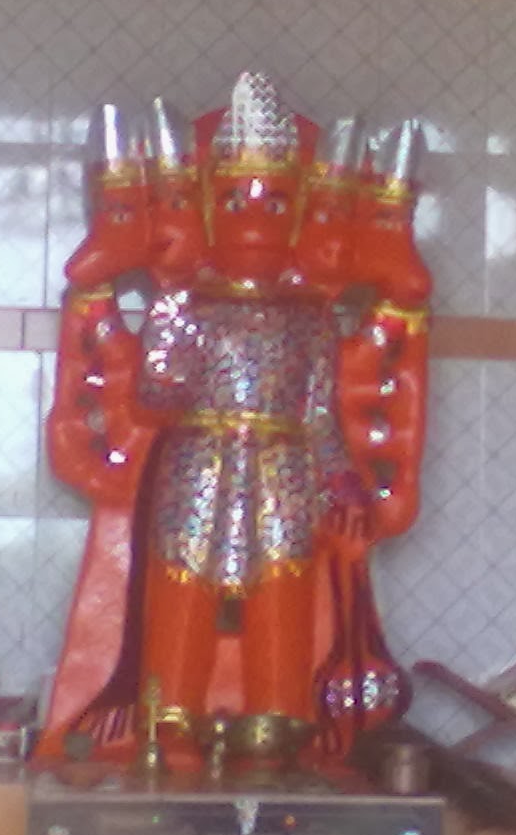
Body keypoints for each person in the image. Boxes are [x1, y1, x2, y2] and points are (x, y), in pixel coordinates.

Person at [36, 74, 430, 769]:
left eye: (276, 200)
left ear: (301, 210)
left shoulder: (309, 314)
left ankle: (276, 719)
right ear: (210, 211)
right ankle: (170, 719)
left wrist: (343, 487)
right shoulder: (187, 300)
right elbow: (156, 396)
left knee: (282, 585)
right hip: (196, 460)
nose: (256, 216)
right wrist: (168, 321)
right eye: (237, 198)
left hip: (284, 467)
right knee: (180, 582)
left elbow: (318, 415)